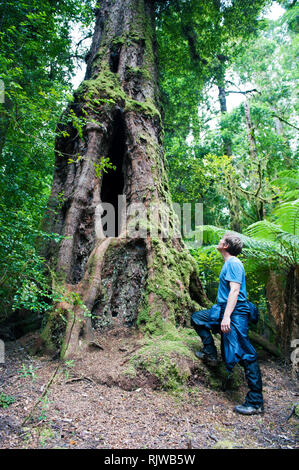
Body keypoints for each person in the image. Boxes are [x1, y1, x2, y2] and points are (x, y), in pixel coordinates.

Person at [191, 232, 264, 415]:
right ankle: (210, 353)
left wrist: (226, 318)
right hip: (223, 310)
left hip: (235, 313)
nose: (219, 241)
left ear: (226, 246)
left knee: (246, 354)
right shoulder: (229, 263)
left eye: (221, 240)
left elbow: (235, 290)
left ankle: (256, 401)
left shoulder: (233, 263)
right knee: (198, 318)